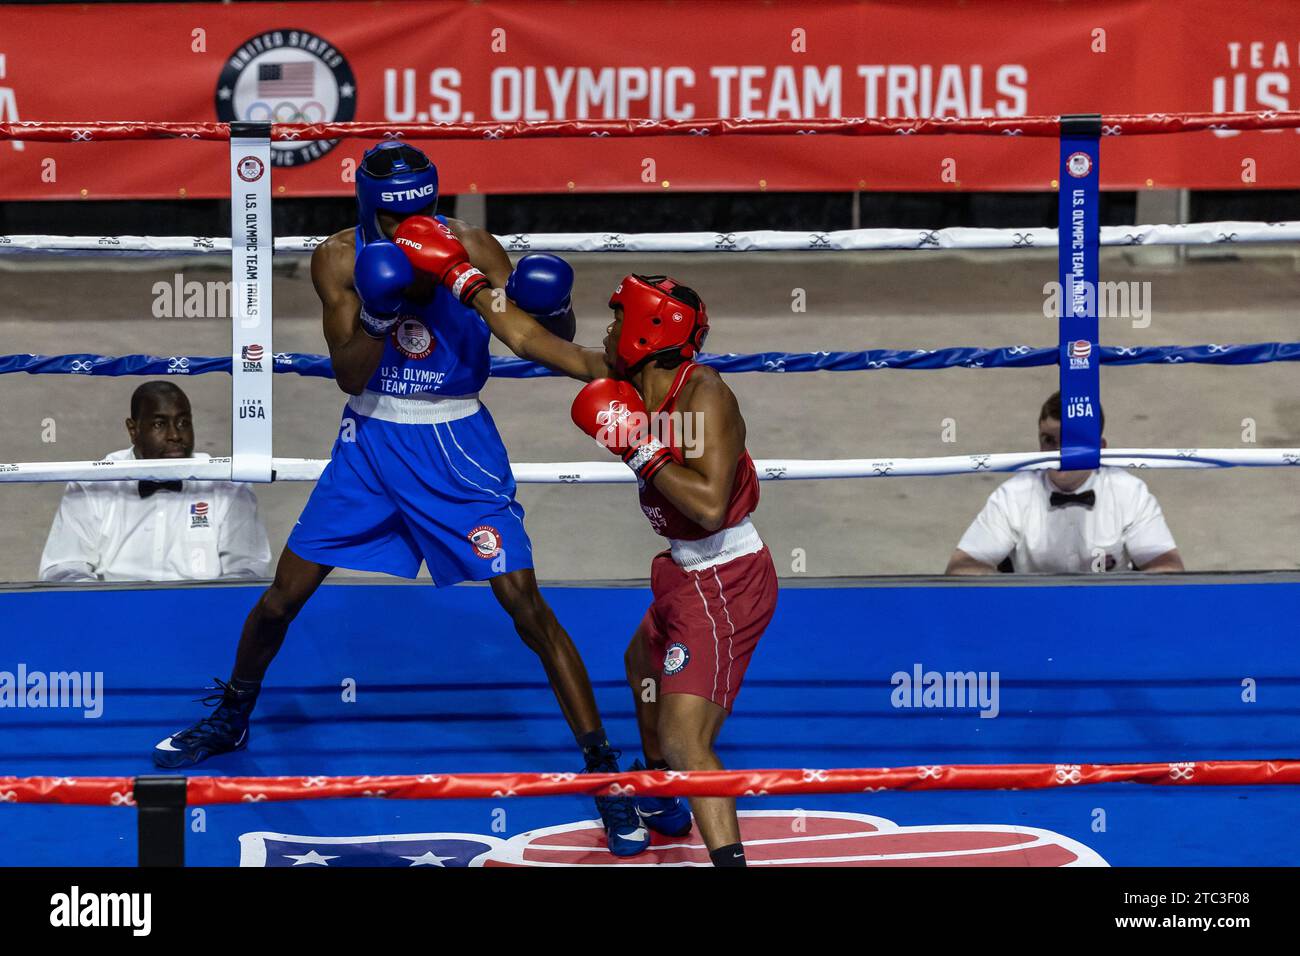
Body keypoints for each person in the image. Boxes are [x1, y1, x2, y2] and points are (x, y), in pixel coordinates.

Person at [153, 142, 647, 857]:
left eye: (418, 208)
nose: (408, 222)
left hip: (458, 446)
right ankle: (231, 713)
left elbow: (530, 333)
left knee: (526, 607)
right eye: (395, 212)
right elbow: (350, 375)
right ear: (368, 204)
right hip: (373, 441)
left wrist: (567, 317)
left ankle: (605, 772)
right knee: (283, 597)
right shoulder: (340, 258)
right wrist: (387, 312)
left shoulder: (475, 245)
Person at [391, 215, 778, 867]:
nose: (604, 328)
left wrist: (637, 446)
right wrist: (463, 278)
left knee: (689, 743)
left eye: (617, 316)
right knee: (640, 667)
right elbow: (528, 337)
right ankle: (661, 799)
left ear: (649, 332)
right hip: (686, 572)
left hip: (725, 577)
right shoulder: (623, 379)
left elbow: (710, 507)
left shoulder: (704, 395)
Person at [39, 381, 270, 582]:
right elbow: (64, 569)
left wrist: (208, 605)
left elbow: (247, 569)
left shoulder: (227, 486)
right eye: (159, 424)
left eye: (183, 423)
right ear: (133, 429)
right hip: (115, 613)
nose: (175, 436)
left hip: (199, 613)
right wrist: (104, 606)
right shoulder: (91, 485)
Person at [946, 391, 1184, 574]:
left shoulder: (1131, 493)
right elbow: (960, 570)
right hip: (1033, 616)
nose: (1058, 453)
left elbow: (1169, 571)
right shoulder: (1013, 495)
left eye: (1069, 442)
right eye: (1049, 440)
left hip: (1109, 620)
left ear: (1100, 449)